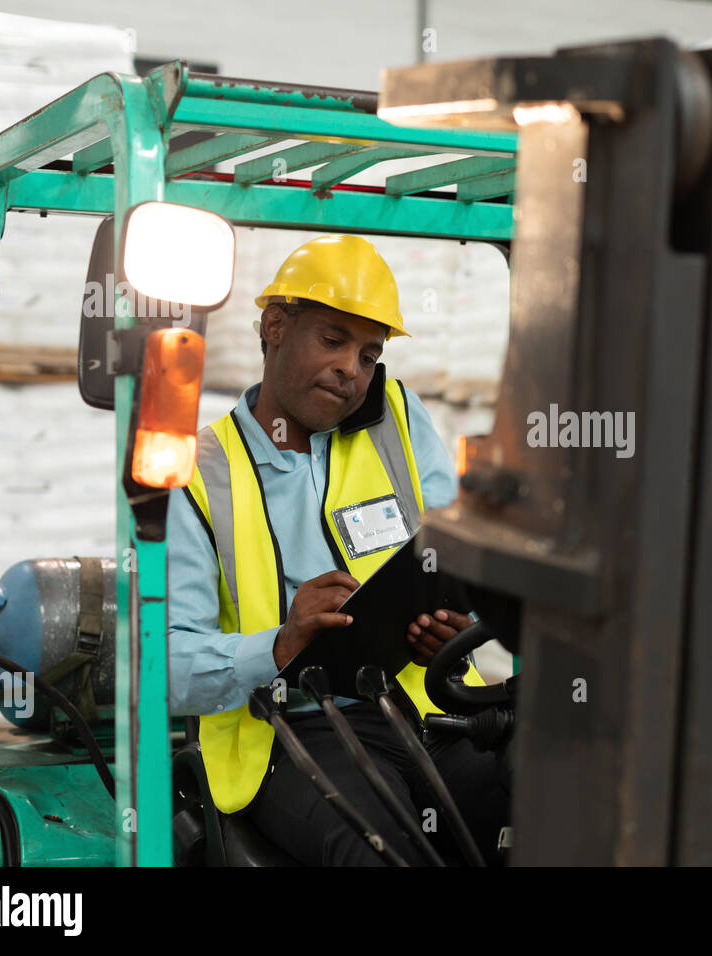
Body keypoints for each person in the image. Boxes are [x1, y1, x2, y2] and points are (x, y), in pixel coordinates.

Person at [166, 234, 510, 865]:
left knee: (563, 795)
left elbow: (452, 561)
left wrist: (452, 627)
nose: (352, 367)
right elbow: (162, 668)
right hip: (291, 730)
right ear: (274, 327)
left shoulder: (399, 422)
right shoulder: (193, 473)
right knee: (382, 851)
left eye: (369, 353)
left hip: (424, 708)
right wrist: (281, 643)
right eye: (333, 340)